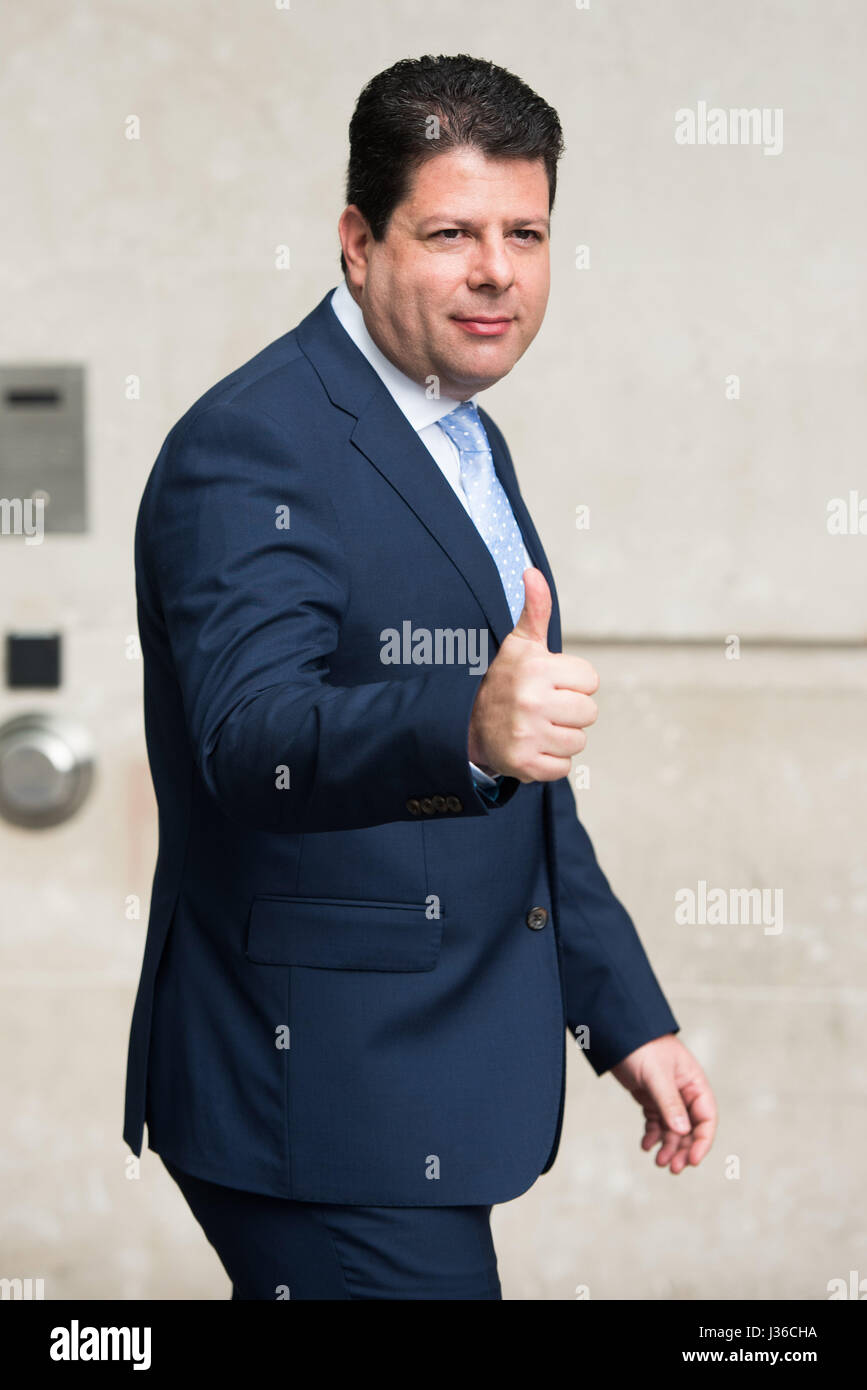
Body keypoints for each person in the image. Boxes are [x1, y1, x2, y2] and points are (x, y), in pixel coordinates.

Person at [123, 53, 717, 1301]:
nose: (497, 269)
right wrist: (462, 721)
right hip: (321, 1098)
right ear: (357, 241)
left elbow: (528, 767)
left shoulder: (457, 428)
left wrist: (623, 1015)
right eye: (450, 231)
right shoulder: (253, 443)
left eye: (527, 232)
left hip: (416, 1080)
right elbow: (250, 736)